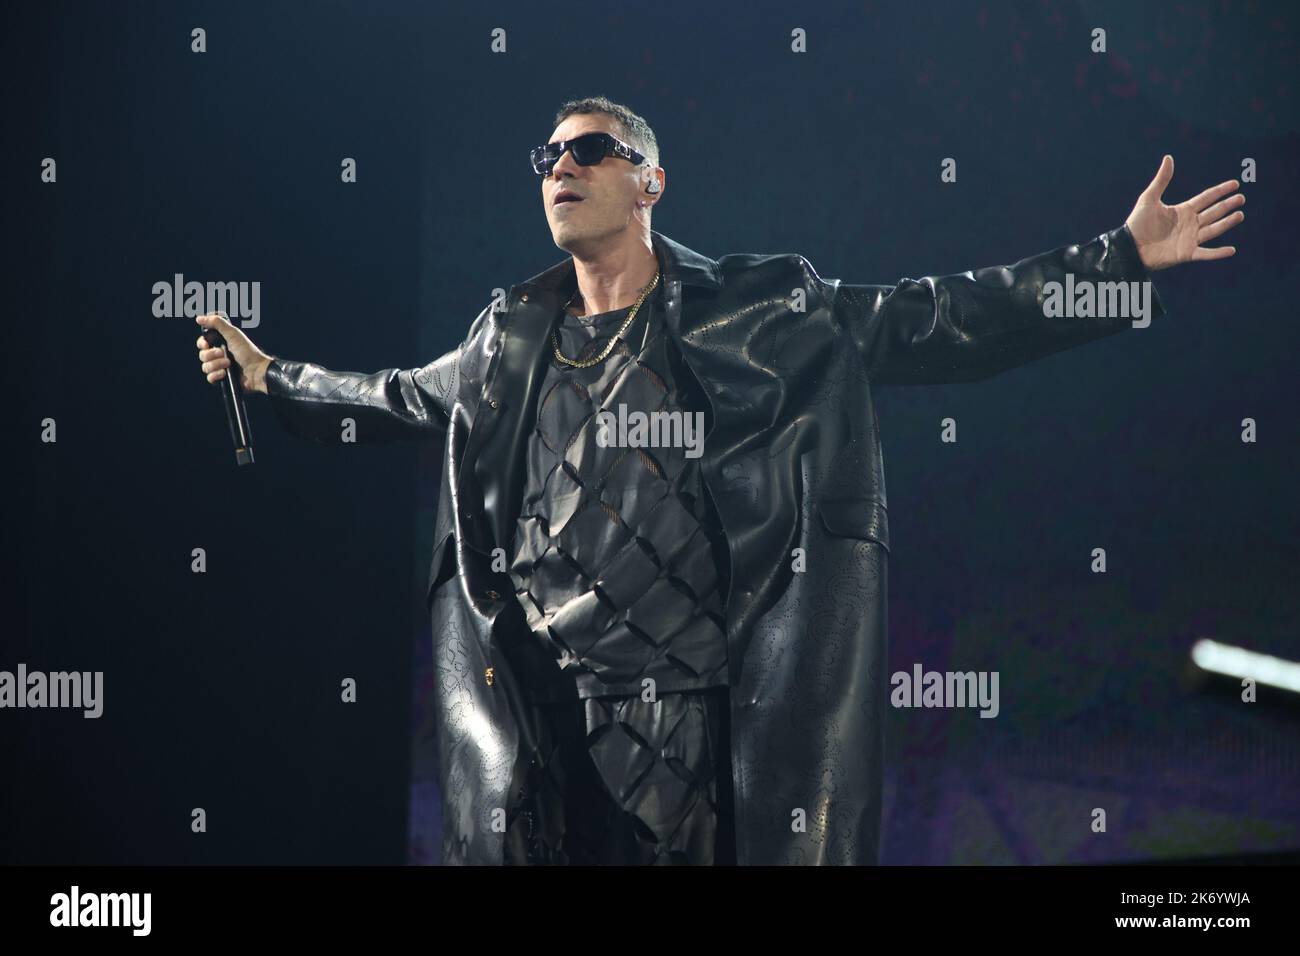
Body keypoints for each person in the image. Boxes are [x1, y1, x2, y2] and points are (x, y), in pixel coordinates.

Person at [193, 96, 1244, 865]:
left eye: (592, 148)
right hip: (545, 721)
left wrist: (1115, 260)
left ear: (649, 181)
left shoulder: (763, 309)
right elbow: (392, 395)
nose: (562, 164)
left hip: (706, 716)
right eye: (548, 152)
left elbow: (937, 317)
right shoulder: (505, 340)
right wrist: (271, 374)